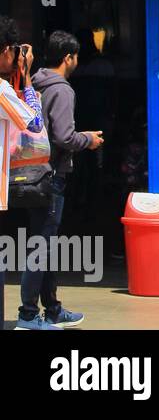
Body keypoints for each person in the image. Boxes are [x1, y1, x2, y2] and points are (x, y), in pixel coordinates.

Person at [18, 31, 103, 330]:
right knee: (41, 245)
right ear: (68, 58)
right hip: (51, 177)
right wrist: (89, 140)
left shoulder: (35, 83)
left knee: (45, 242)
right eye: (76, 56)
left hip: (33, 174)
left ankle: (52, 309)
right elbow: (64, 137)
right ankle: (28, 314)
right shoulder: (62, 90)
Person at [0, 16, 42, 329]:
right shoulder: (2, 90)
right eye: (15, 51)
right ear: (5, 51)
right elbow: (34, 124)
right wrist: (25, 78)